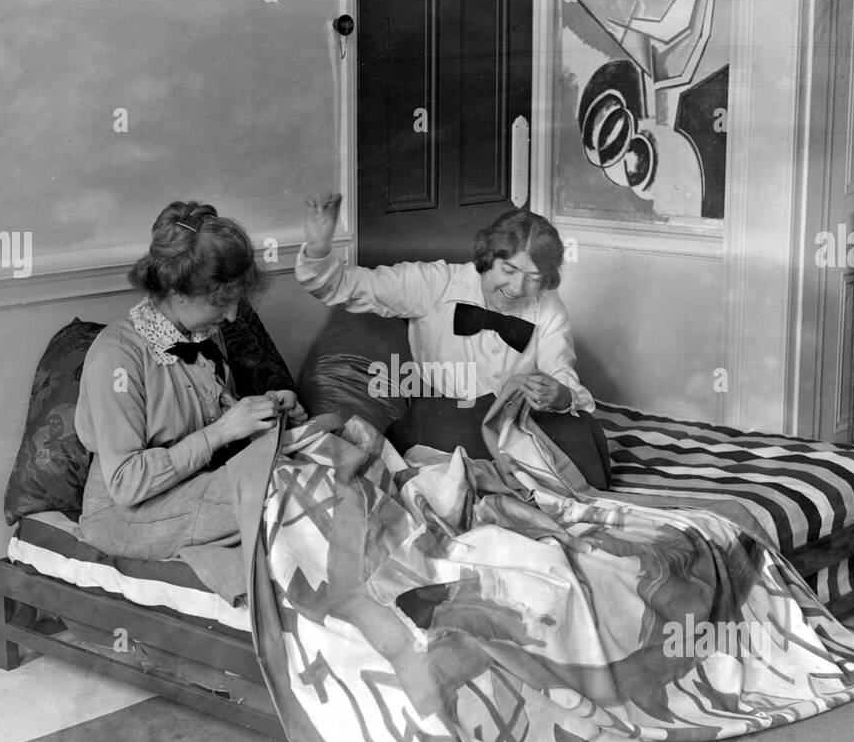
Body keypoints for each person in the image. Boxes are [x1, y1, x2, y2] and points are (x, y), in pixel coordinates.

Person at [296, 193, 610, 487]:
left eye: (534, 278)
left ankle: (506, 476)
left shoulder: (548, 305)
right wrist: (318, 249)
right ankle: (507, 478)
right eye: (509, 269)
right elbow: (346, 287)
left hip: (511, 426)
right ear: (488, 256)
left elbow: (562, 373)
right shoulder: (436, 283)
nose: (516, 288)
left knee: (587, 437)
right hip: (442, 421)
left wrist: (560, 396)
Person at [74, 201, 305, 559]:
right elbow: (126, 483)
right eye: (221, 302)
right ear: (179, 293)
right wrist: (221, 432)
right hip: (127, 513)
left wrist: (267, 411)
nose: (231, 315)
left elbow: (213, 416)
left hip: (191, 485)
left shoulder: (203, 334)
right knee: (284, 493)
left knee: (320, 460)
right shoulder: (116, 355)